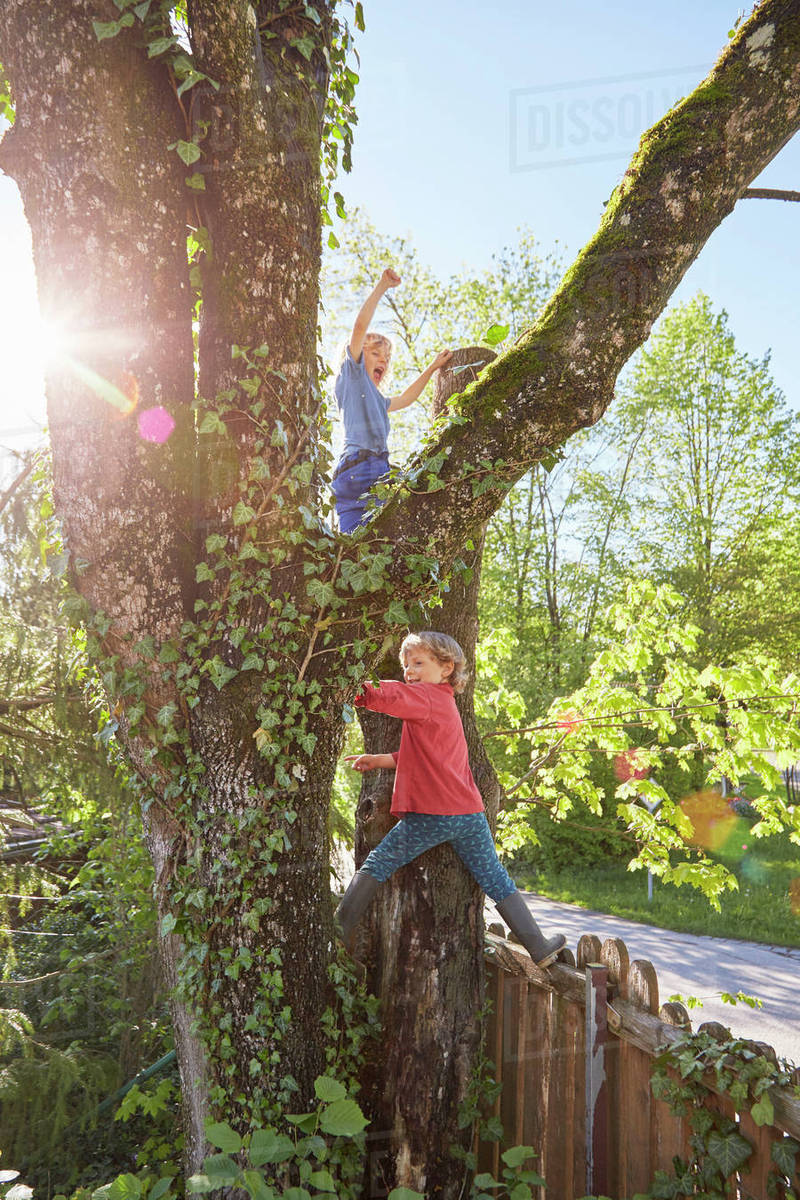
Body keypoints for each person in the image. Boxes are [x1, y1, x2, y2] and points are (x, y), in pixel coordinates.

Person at [335, 631, 566, 968]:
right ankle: (539, 946)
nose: (410, 671)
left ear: (446, 668)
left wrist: (357, 689)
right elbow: (425, 756)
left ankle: (337, 930)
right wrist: (380, 759)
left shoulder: (424, 697)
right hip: (470, 814)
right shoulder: (444, 703)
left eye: (418, 663)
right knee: (495, 878)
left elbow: (391, 696)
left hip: (434, 814)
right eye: (406, 665)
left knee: (377, 864)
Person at [331, 268, 453, 533]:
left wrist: (432, 367)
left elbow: (407, 398)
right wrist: (382, 287)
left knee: (364, 546)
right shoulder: (352, 376)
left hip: (375, 473)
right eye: (375, 353)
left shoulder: (378, 400)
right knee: (371, 540)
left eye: (386, 357)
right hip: (358, 468)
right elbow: (359, 327)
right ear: (359, 354)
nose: (383, 360)